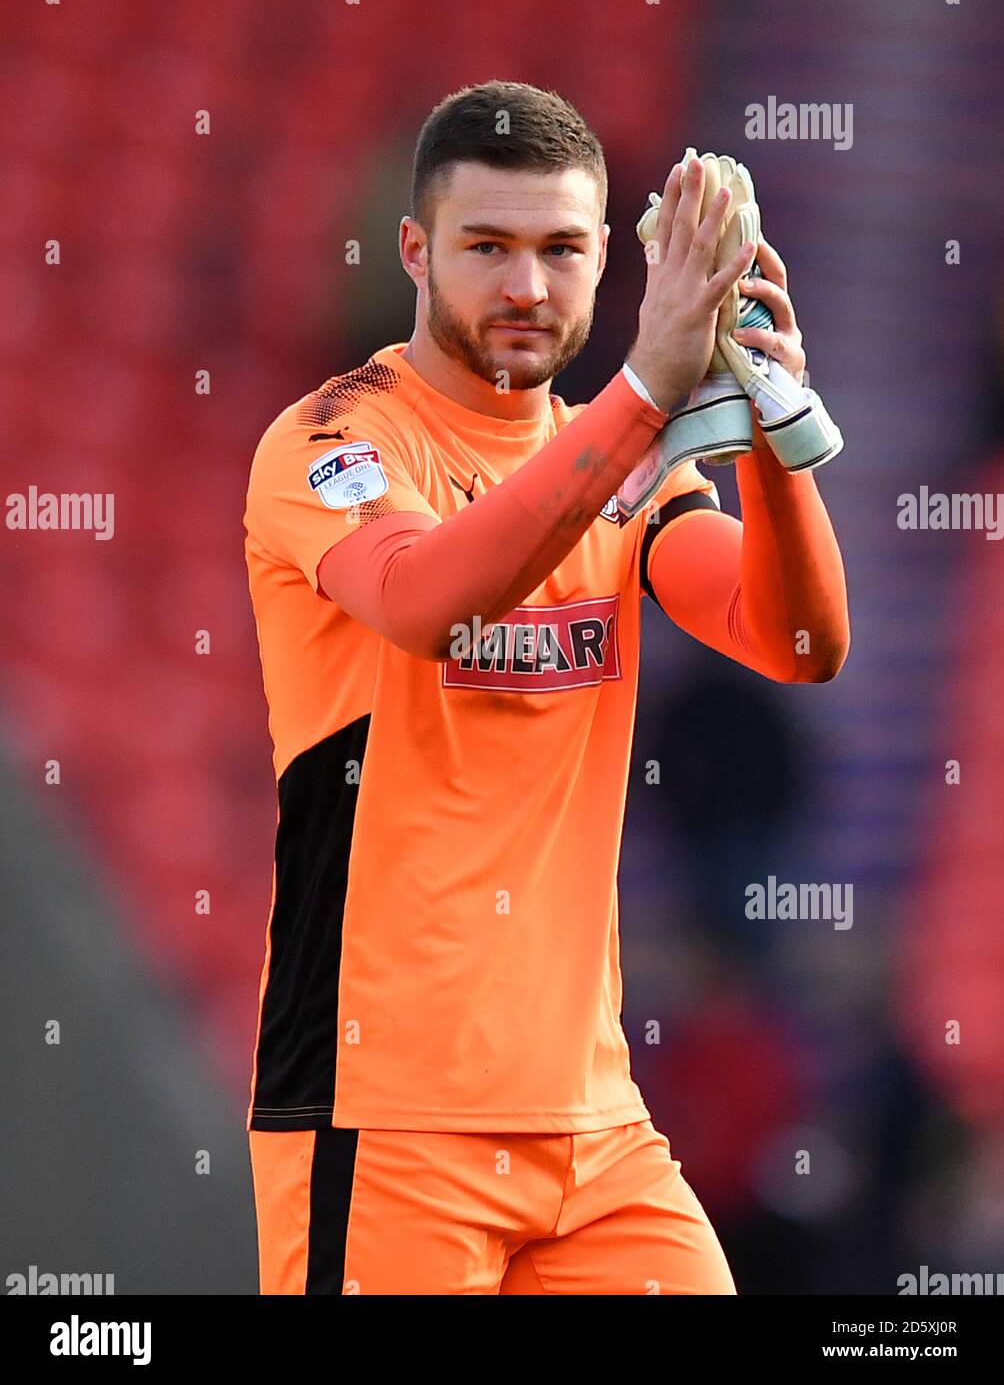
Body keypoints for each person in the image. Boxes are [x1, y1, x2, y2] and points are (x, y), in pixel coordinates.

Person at [242, 79, 849, 1295]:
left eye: (561, 249)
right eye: (488, 248)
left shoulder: (619, 467)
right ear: (415, 251)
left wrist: (765, 437)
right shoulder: (331, 441)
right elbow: (424, 600)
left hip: (592, 1124)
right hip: (383, 1112)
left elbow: (795, 640)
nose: (526, 286)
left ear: (598, 260)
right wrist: (641, 397)